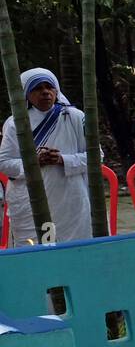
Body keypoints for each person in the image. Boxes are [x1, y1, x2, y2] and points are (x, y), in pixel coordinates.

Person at [0, 68, 91, 245]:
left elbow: (96, 157)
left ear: (56, 90)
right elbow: (3, 163)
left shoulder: (75, 117)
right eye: (37, 88)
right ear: (26, 93)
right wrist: (34, 162)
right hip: (28, 201)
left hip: (70, 200)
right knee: (35, 253)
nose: (45, 92)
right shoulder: (14, 123)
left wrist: (62, 159)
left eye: (49, 87)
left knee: (74, 250)